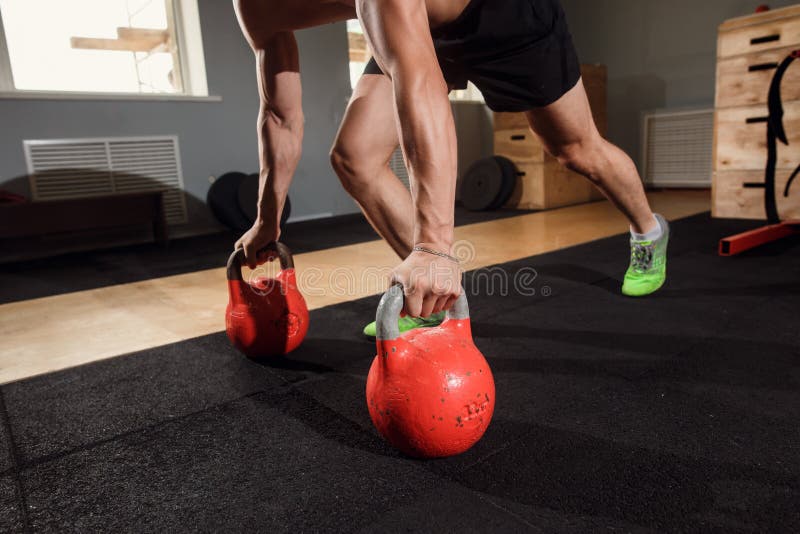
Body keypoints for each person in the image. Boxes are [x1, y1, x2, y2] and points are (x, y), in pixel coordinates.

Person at [233, 0, 670, 338]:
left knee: (575, 150)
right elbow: (278, 116)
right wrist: (267, 223)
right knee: (355, 158)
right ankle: (432, 303)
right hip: (418, 22)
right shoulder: (253, 6)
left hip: (502, 16)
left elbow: (419, 84)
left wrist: (437, 246)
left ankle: (648, 231)